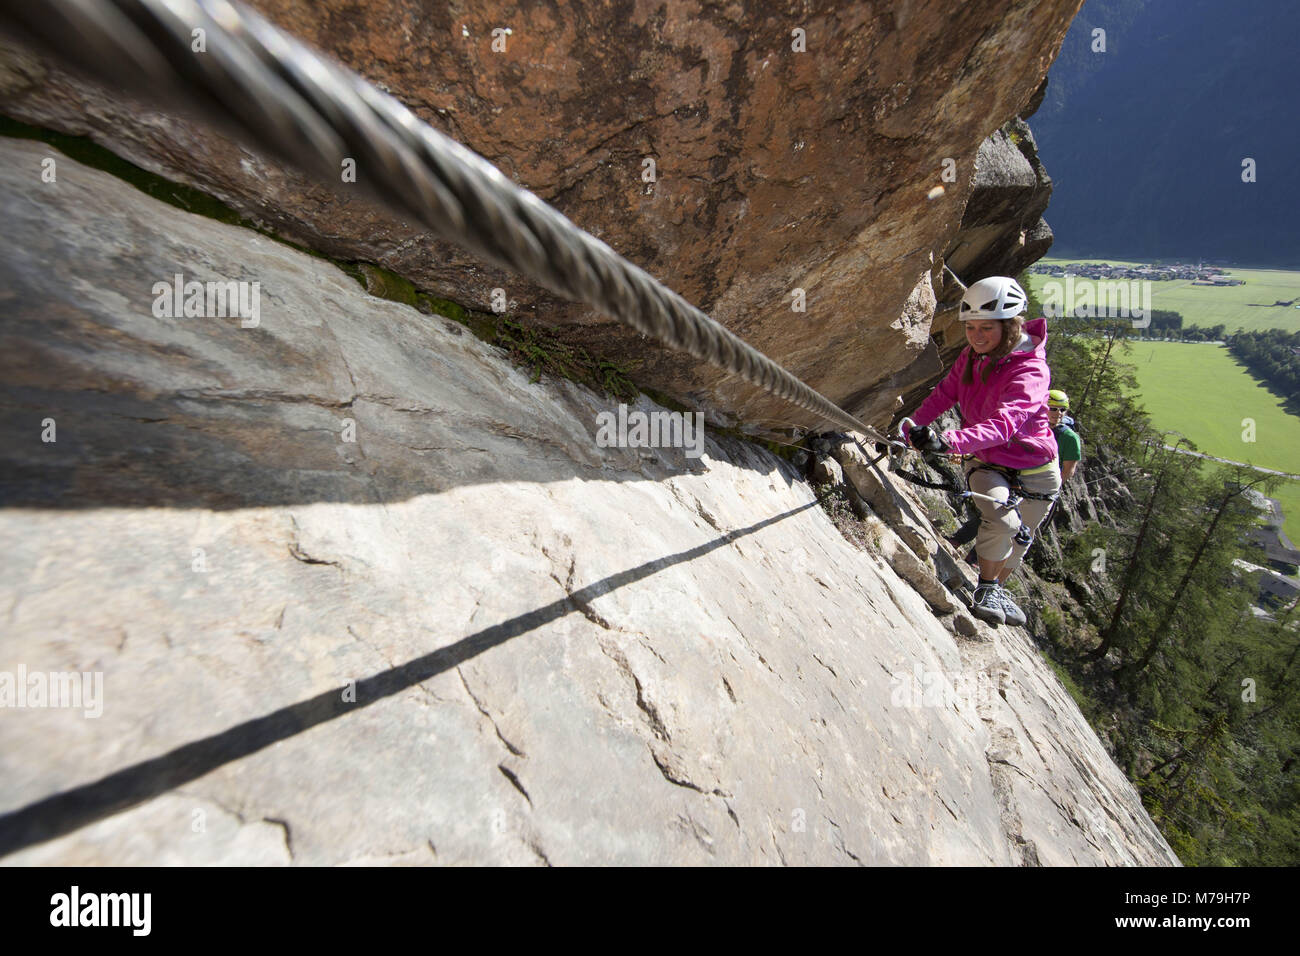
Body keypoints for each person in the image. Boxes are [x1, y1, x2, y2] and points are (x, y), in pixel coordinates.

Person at [905, 276, 1061, 627]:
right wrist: (912, 425)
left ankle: (995, 587)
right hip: (989, 459)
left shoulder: (1032, 371)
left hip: (1037, 467)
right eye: (971, 327)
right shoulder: (972, 357)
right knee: (1003, 520)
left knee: (1021, 538)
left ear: (1010, 326)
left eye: (986, 328)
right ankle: (988, 588)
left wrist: (949, 441)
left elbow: (1005, 424)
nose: (975, 336)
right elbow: (946, 392)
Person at [1047, 389, 1082, 482]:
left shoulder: (1070, 438)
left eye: (1062, 410)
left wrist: (1050, 488)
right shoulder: (1031, 428)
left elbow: (1068, 472)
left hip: (1047, 486)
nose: (1058, 413)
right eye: (1053, 409)